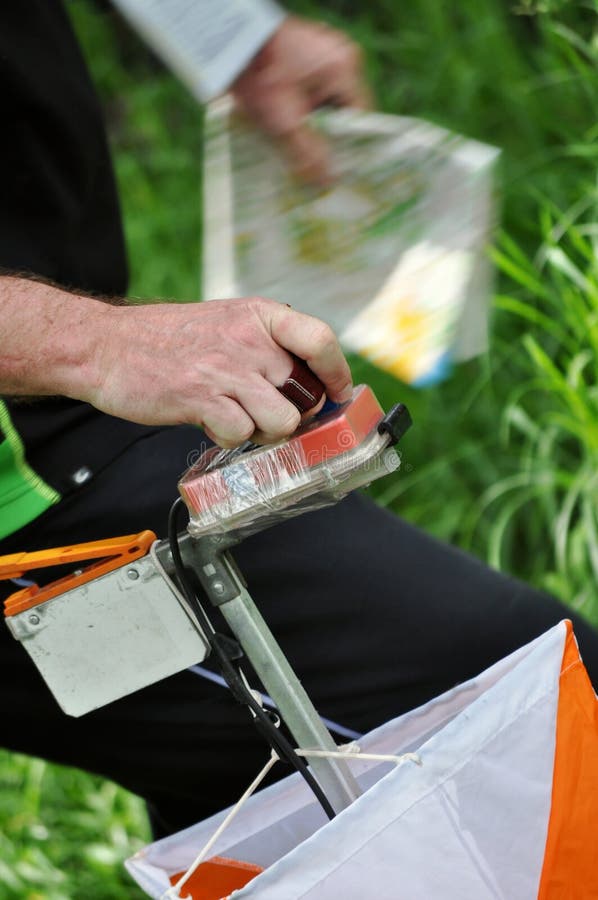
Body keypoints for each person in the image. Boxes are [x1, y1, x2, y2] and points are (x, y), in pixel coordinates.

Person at [1, 0, 597, 847]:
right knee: (541, 702)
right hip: (34, 498)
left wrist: (229, 37)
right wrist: (92, 345)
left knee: (273, 818)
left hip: (64, 412)